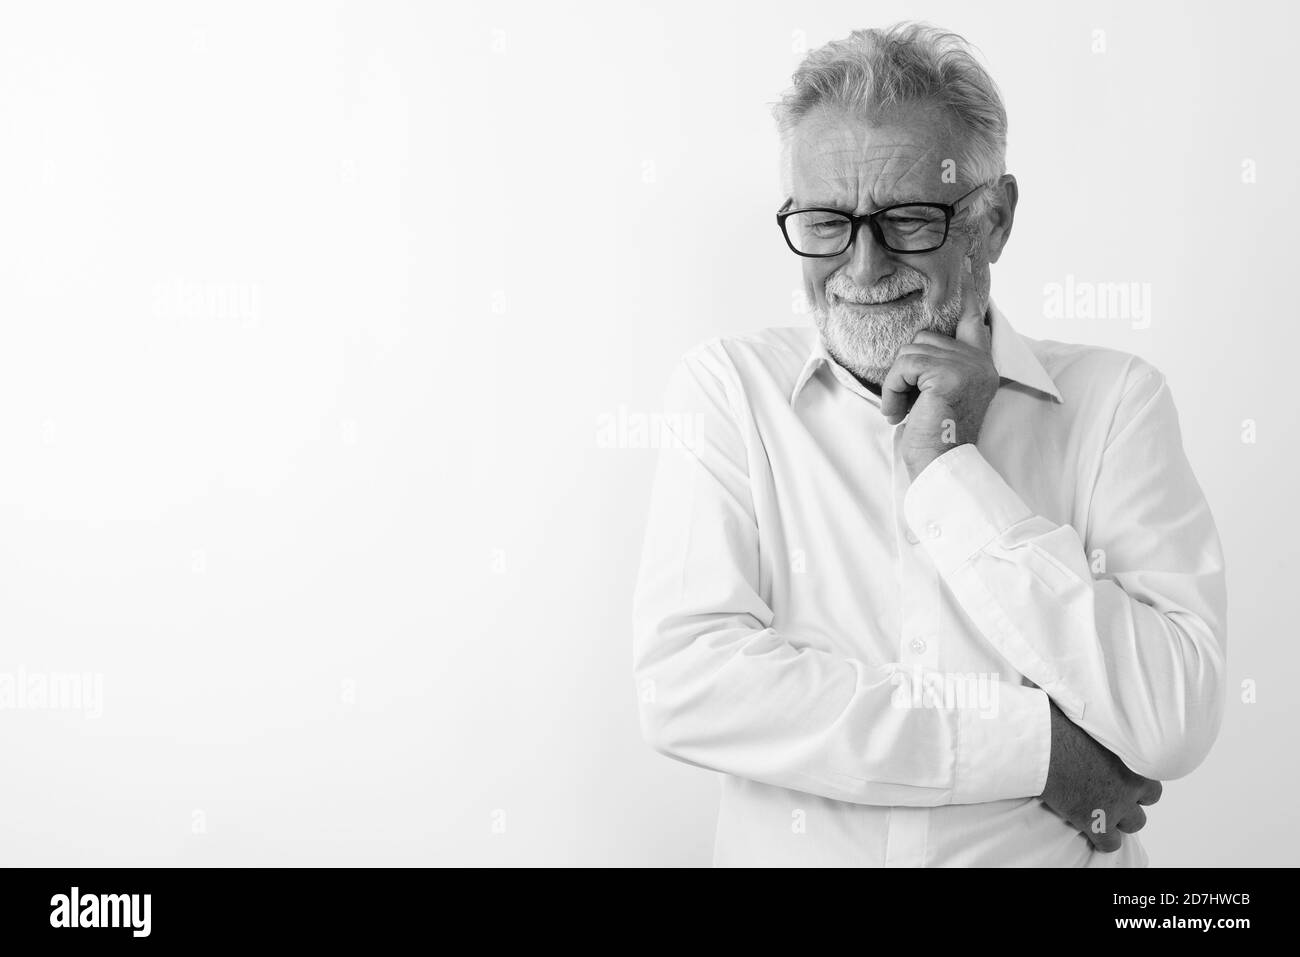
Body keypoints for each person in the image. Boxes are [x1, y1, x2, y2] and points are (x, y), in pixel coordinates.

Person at [632, 22, 1226, 867]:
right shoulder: (729, 392)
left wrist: (948, 473)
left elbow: (1172, 717)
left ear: (992, 220)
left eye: (907, 219)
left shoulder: (1116, 403)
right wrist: (1037, 750)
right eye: (826, 221)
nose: (863, 266)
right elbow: (687, 687)